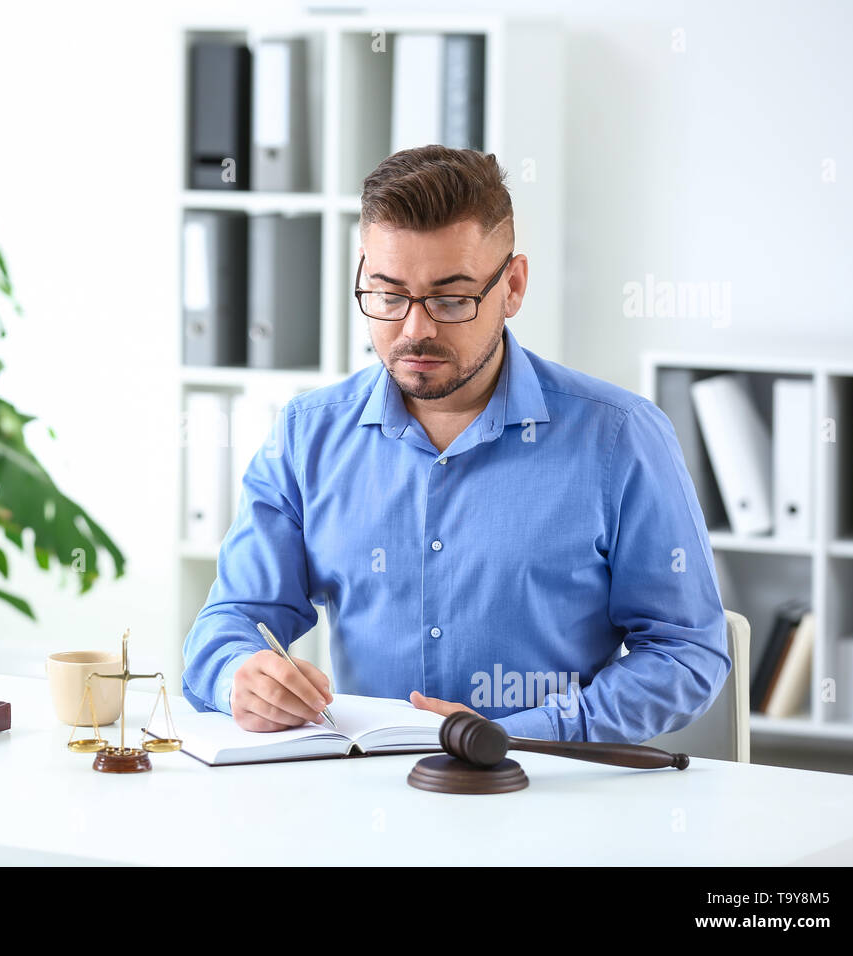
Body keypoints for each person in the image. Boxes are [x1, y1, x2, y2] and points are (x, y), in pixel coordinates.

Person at [181, 145, 730, 742]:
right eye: (389, 295)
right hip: (368, 803)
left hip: (548, 794)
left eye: (451, 299)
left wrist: (519, 734)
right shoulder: (307, 435)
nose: (416, 329)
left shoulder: (621, 439)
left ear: (513, 286)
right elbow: (232, 621)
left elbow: (685, 654)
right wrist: (241, 675)